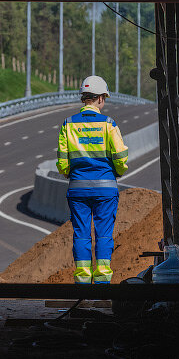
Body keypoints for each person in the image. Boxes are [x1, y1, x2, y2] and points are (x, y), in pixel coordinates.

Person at [56, 75, 129, 284]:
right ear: (100, 99)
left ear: (84, 98)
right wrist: (117, 171)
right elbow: (121, 157)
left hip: (78, 188)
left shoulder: (68, 124)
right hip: (105, 189)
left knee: (81, 234)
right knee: (104, 234)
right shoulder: (108, 124)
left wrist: (70, 173)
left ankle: (82, 280)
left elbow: (62, 160)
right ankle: (103, 280)